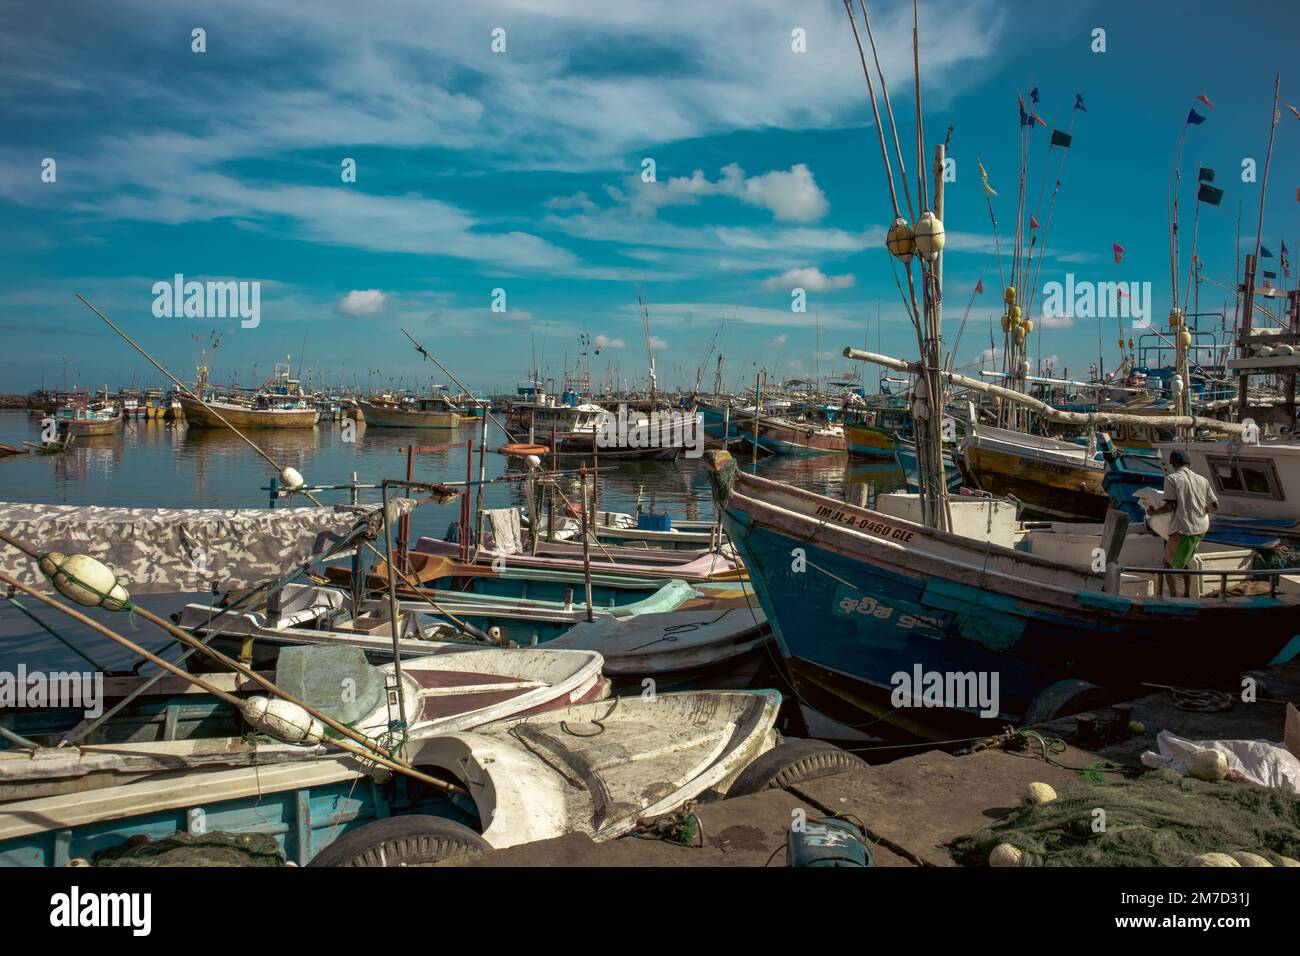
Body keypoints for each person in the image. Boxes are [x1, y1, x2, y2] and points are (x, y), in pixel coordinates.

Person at [1149, 449, 1218, 596]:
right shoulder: (1202, 480)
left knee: (1168, 563)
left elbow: (1170, 506)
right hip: (1200, 530)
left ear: (1173, 464)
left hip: (1183, 529)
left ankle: (1175, 596)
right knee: (1185, 560)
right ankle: (1186, 594)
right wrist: (1201, 510)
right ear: (1189, 463)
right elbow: (1214, 505)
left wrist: (1152, 513)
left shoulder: (1172, 479)